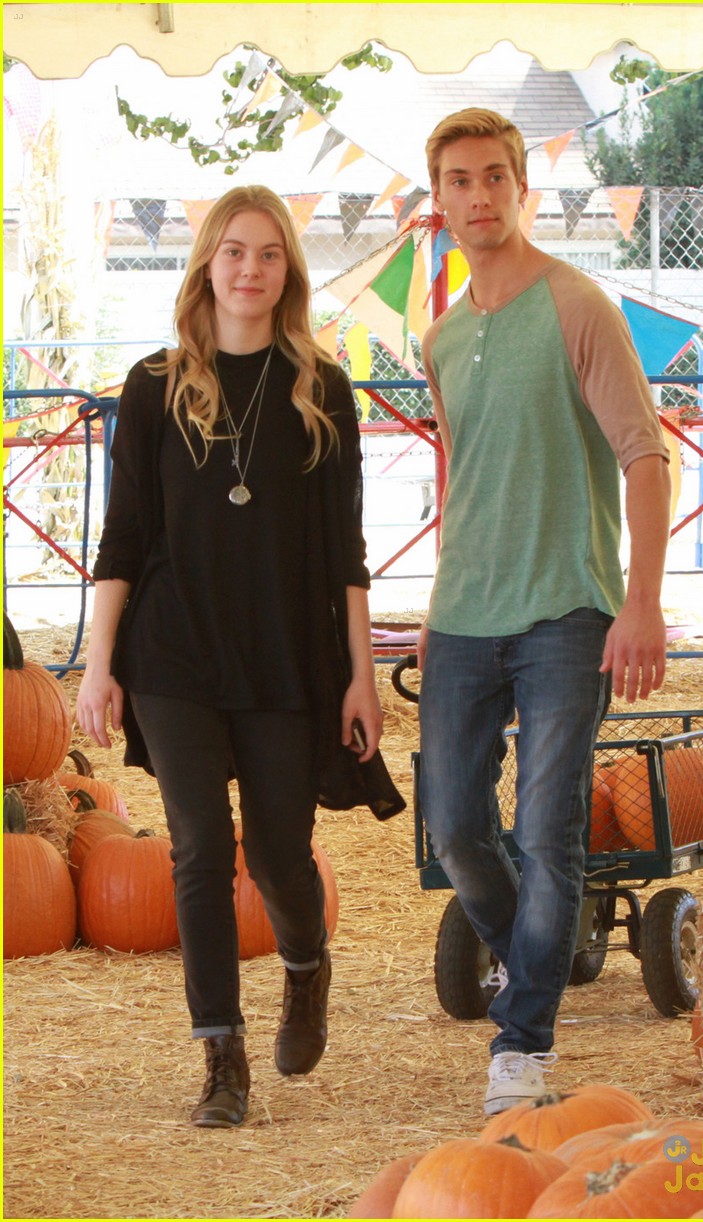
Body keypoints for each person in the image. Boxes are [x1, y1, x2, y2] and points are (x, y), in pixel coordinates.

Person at [75, 185, 386, 1129]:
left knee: (284, 855)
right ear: (206, 262)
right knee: (201, 852)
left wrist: (362, 674)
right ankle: (222, 1056)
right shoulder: (155, 385)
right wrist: (98, 663)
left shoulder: (320, 388)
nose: (250, 270)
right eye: (234, 252)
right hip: (174, 656)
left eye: (270, 255)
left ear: (288, 272)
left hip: (289, 658)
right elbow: (124, 538)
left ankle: (305, 966)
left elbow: (345, 551)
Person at [417, 109, 672, 1115]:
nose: (478, 196)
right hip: (465, 614)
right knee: (453, 829)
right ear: (437, 200)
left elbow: (644, 457)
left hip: (569, 608)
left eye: (494, 177)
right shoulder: (439, 337)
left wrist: (639, 601)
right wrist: (435, 610)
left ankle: (522, 1043)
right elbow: (466, 483)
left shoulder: (578, 306)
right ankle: (540, 945)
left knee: (546, 825)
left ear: (521, 187)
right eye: (458, 181)